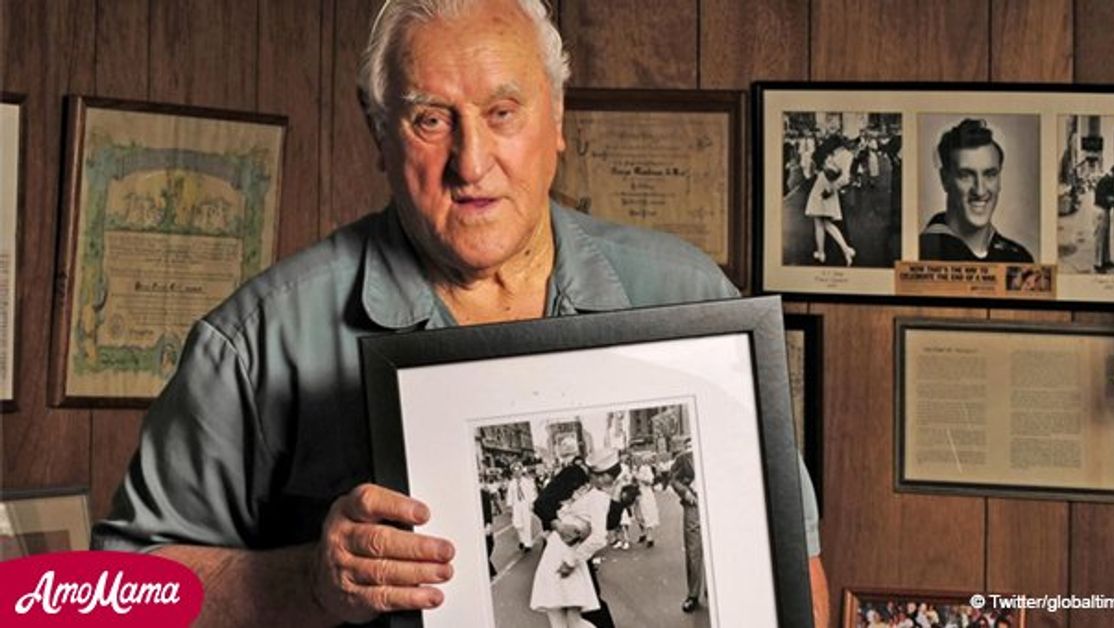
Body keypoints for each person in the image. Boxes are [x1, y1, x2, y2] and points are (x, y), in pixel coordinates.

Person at [90, 1, 829, 626]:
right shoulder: (258, 340)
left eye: (503, 113)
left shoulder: (688, 298)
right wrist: (310, 580)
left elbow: (796, 579)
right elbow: (111, 599)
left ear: (557, 117)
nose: (471, 162)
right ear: (378, 130)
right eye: (431, 119)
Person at [919, 118, 1034, 263]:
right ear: (945, 179)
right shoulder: (921, 252)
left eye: (990, 174)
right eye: (965, 175)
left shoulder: (1019, 258)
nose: (980, 191)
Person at [529, 449, 621, 628]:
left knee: (580, 604)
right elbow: (541, 503)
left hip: (577, 549)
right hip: (561, 546)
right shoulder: (572, 474)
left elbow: (609, 522)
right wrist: (559, 526)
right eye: (608, 478)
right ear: (599, 473)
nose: (608, 484)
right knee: (561, 606)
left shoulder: (600, 493)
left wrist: (587, 527)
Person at [805, 143, 856, 266]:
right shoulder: (839, 156)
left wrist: (830, 189)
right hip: (826, 186)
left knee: (820, 222)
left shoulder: (840, 156)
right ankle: (831, 251)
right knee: (824, 223)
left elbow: (843, 178)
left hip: (823, 188)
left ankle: (826, 252)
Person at [670, 442, 704, 613]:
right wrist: (685, 492)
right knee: (693, 550)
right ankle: (693, 595)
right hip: (694, 503)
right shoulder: (684, 457)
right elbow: (674, 478)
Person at [1092, 164, 1114, 273]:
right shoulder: (1108, 180)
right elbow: (1110, 198)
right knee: (1100, 238)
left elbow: (1112, 196)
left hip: (1104, 210)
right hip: (1100, 210)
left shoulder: (1107, 180)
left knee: (1106, 237)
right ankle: (1098, 264)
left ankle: (1106, 260)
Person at [506, 462, 538, 552]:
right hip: (516, 505)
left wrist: (532, 504)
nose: (517, 473)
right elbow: (510, 495)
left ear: (521, 471)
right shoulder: (511, 484)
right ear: (513, 472)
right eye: (514, 471)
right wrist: (510, 507)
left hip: (525, 505)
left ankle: (528, 544)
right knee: (518, 524)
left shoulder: (527, 482)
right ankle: (522, 540)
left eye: (518, 470)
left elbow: (532, 494)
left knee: (526, 524)